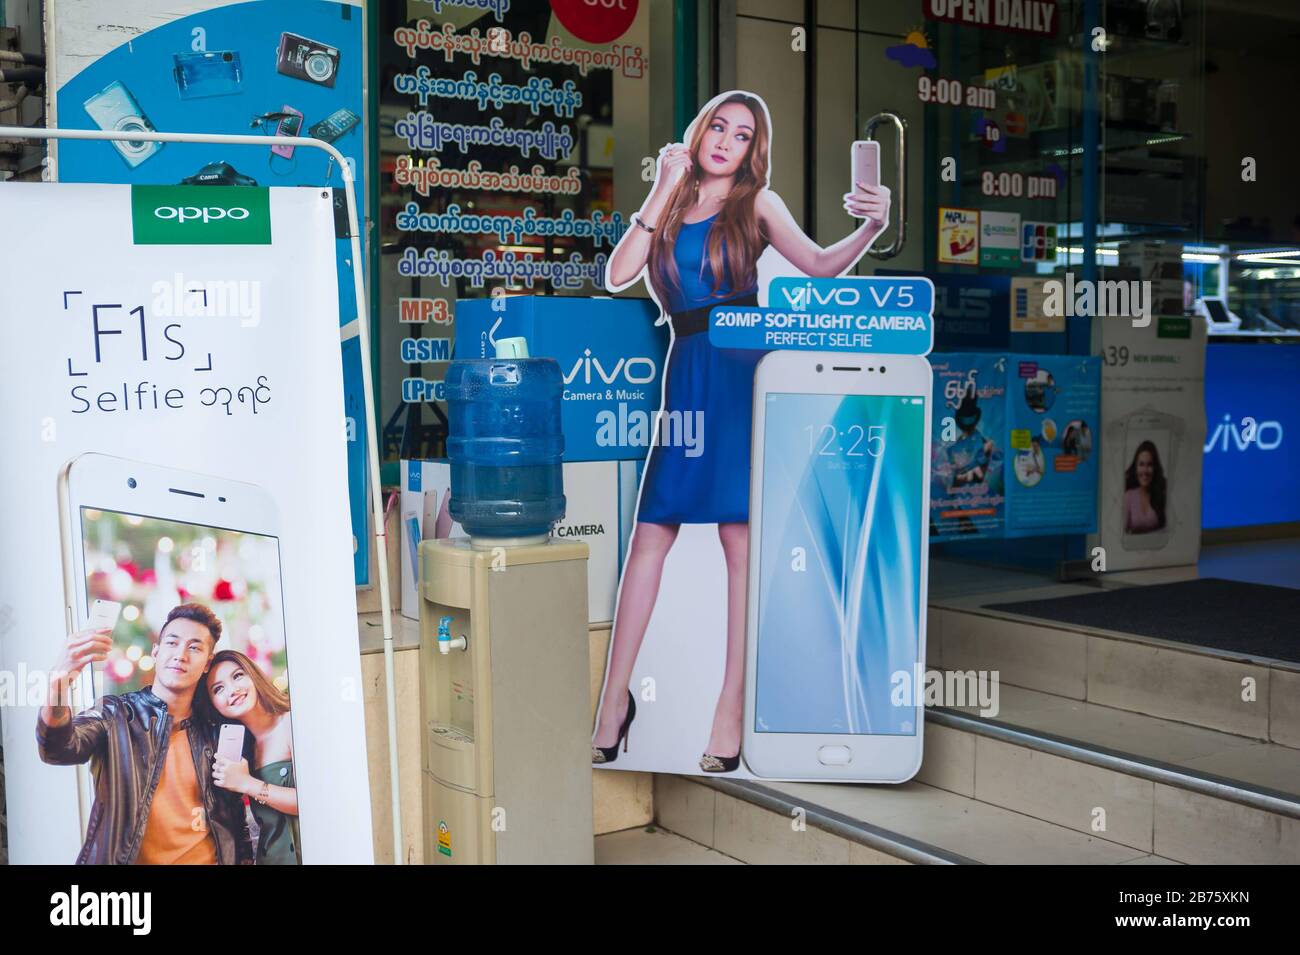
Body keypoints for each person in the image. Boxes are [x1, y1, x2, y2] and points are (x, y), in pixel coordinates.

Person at [593, 90, 890, 773]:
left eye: (742, 133)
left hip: (745, 372)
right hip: (688, 372)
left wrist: (871, 229)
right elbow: (617, 274)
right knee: (651, 534)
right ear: (699, 133)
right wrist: (663, 186)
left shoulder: (757, 203)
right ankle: (614, 699)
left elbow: (816, 264)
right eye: (718, 126)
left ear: (753, 148)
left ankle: (731, 705)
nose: (726, 140)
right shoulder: (668, 199)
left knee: (739, 541)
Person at [36, 602, 251, 865]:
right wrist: (60, 680)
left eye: (194, 647)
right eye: (172, 643)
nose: (181, 655)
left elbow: (234, 821)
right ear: (156, 651)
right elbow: (57, 748)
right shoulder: (114, 715)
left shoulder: (215, 731)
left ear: (207, 663)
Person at [203, 649, 301, 865]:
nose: (233, 690)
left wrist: (247, 783)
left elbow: (314, 801)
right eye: (218, 689)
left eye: (238, 676)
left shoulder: (290, 723)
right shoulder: (242, 750)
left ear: (253, 675)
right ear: (213, 704)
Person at [1124, 440, 1167, 533]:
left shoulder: (1163, 494)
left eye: (1149, 465)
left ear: (1155, 468)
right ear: (1136, 468)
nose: (1145, 471)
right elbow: (1122, 534)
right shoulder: (1128, 497)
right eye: (1141, 464)